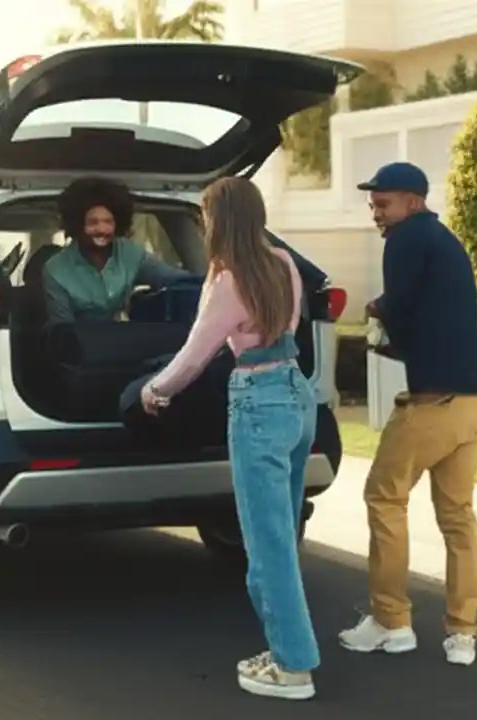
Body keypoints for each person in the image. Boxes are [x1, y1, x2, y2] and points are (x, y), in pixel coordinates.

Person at [140, 177, 320, 701]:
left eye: (205, 215)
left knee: (267, 548)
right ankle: (283, 647)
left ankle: (293, 668)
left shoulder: (227, 280)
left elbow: (195, 355)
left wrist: (154, 391)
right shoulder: (282, 263)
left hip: (259, 404)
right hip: (296, 393)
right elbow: (287, 323)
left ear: (219, 221)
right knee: (279, 536)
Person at [336, 162, 477, 667]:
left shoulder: (405, 239)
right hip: (475, 400)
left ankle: (390, 622)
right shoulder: (445, 240)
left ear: (413, 200)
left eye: (383, 204)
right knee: (457, 516)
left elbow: (398, 306)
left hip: (436, 403)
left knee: (384, 496)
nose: (377, 213)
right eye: (374, 204)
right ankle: (463, 633)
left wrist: (378, 310)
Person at [42, 177, 193, 325]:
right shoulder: (56, 270)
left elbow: (175, 279)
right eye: (93, 222)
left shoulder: (131, 254)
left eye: (108, 222)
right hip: (80, 345)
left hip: (123, 343)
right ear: (77, 224)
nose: (101, 230)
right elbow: (62, 331)